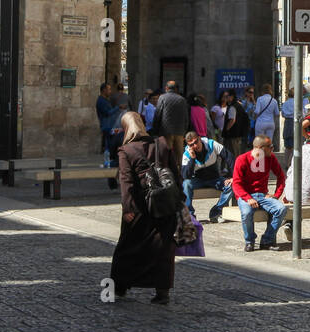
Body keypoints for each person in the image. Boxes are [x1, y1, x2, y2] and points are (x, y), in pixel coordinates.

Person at [110, 111, 179, 305]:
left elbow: (126, 182)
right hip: (165, 204)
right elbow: (175, 173)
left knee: (127, 247)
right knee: (163, 249)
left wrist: (128, 209)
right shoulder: (162, 143)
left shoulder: (126, 150)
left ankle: (119, 287)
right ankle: (162, 292)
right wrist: (178, 200)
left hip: (140, 206)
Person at [232, 135, 289, 251]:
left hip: (263, 195)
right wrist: (247, 198)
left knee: (281, 209)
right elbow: (236, 184)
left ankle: (267, 240)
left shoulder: (270, 158)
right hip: (246, 196)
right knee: (247, 213)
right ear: (259, 147)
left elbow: (281, 176)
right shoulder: (242, 159)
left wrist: (276, 195)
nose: (272, 149)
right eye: (270, 146)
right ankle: (249, 241)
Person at [182, 130, 230, 217]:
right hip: (197, 180)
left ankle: (216, 212)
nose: (195, 146)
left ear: (200, 138)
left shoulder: (212, 144)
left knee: (232, 184)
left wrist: (233, 177)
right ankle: (190, 215)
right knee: (186, 184)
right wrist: (192, 159)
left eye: (196, 142)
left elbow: (229, 158)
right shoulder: (186, 154)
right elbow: (185, 176)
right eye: (191, 145)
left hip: (215, 179)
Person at [152, 81, 190, 156]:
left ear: (166, 88)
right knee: (179, 155)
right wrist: (185, 130)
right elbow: (186, 117)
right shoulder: (182, 99)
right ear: (176, 89)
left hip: (166, 131)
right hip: (180, 132)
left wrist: (155, 130)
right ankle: (179, 167)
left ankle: (167, 167)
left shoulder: (162, 97)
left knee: (166, 153)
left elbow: (158, 114)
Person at [221, 90, 252, 164]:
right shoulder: (238, 105)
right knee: (236, 152)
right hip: (237, 133)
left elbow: (232, 120)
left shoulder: (233, 106)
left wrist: (226, 130)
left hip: (233, 134)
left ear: (231, 97)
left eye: (227, 96)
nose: (225, 98)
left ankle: (235, 171)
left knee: (233, 153)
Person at [96, 83, 117, 165]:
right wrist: (118, 108)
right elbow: (107, 113)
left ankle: (108, 161)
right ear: (104, 90)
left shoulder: (105, 100)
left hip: (109, 126)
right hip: (107, 126)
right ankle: (107, 161)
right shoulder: (101, 101)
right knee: (109, 144)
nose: (110, 91)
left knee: (110, 144)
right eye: (109, 89)